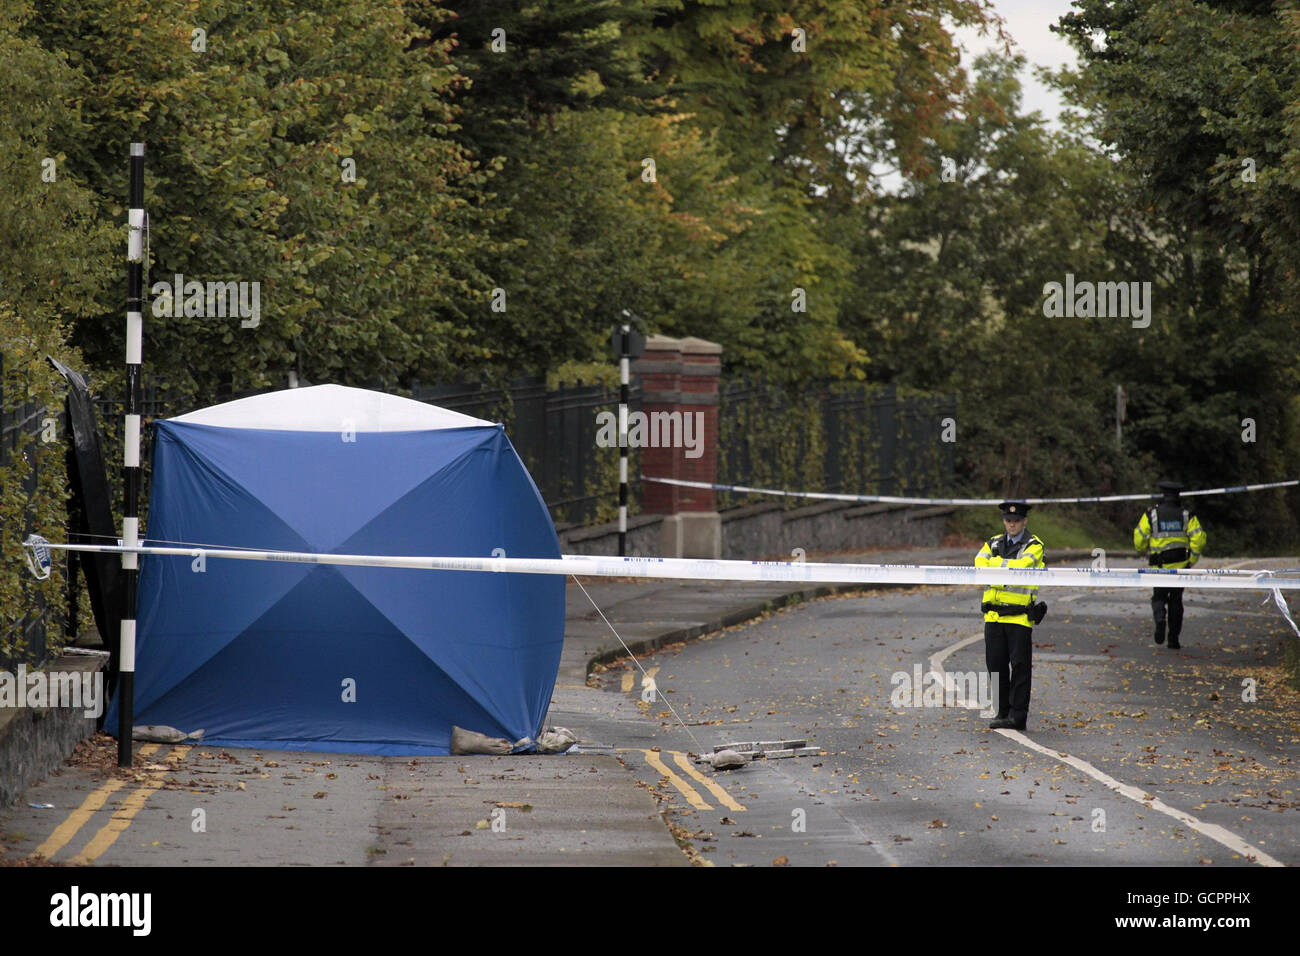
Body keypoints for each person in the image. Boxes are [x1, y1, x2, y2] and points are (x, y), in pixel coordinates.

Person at [975, 500, 1046, 731]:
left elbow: (1021, 568)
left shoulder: (1034, 545)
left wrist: (995, 567)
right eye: (1008, 520)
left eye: (1016, 521)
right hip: (994, 617)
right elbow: (979, 565)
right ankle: (1002, 712)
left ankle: (1018, 716)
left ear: (1024, 521)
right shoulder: (992, 542)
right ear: (1003, 520)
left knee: (1020, 668)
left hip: (1019, 618)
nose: (1012, 524)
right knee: (995, 667)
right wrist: (1004, 567)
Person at [1133, 480, 1206, 649]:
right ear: (1178, 495)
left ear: (1163, 495)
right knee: (1176, 601)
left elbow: (1139, 537)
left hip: (1158, 568)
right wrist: (1192, 559)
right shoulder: (1187, 515)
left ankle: (1160, 619)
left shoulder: (1152, 515)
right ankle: (1173, 639)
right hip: (1180, 567)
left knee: (1158, 597)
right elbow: (1199, 539)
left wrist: (1142, 550)